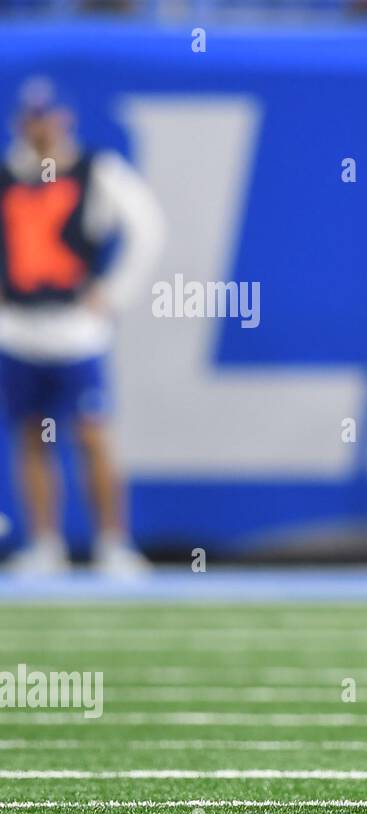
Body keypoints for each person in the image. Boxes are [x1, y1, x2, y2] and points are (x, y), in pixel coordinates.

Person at [0, 78, 163, 575]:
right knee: (32, 437)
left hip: (74, 329)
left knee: (93, 434)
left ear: (63, 121)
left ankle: (113, 542)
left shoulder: (97, 170)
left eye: (46, 118)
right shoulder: (8, 173)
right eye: (32, 119)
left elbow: (148, 228)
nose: (40, 129)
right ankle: (45, 544)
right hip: (18, 328)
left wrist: (112, 294)